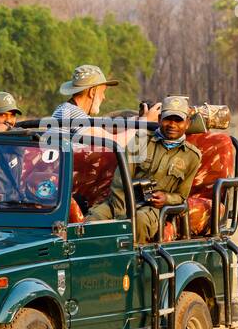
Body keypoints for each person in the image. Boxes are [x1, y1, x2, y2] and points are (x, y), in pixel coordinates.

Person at [85, 95, 201, 242]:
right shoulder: (141, 140)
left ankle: (132, 263)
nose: (172, 124)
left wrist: (166, 198)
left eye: (178, 120)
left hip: (152, 209)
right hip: (123, 201)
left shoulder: (192, 156)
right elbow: (121, 181)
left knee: (138, 222)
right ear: (159, 120)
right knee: (92, 221)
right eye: (167, 119)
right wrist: (123, 215)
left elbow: (181, 195)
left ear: (187, 123)